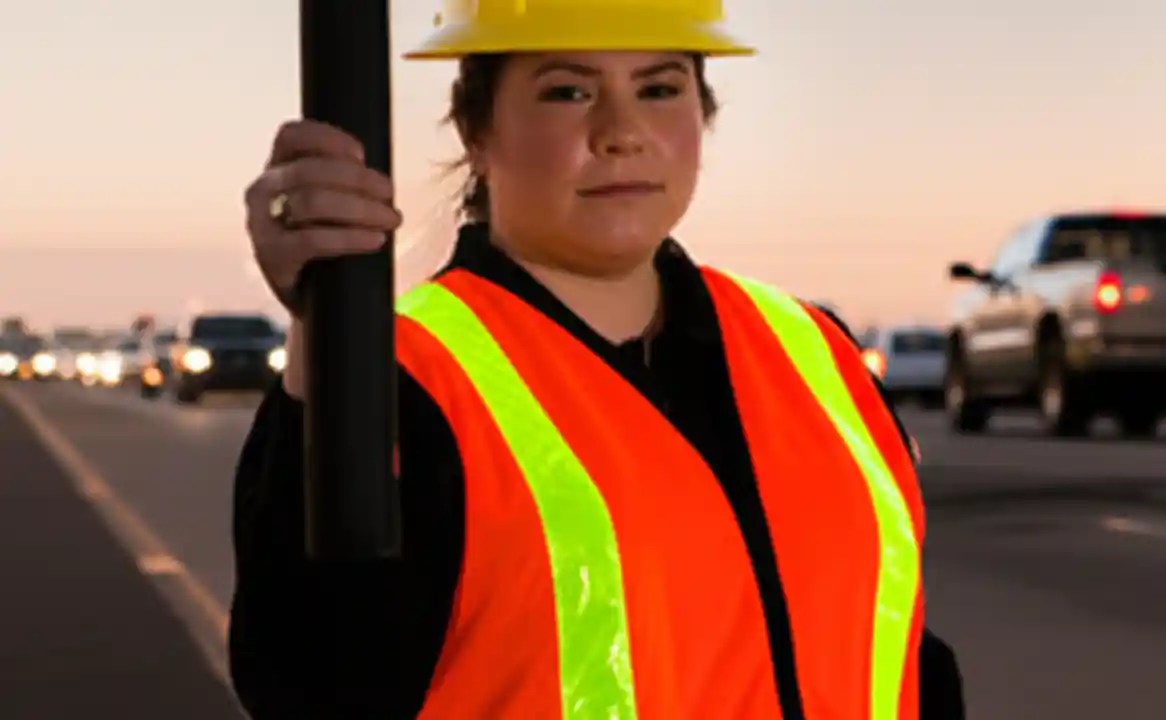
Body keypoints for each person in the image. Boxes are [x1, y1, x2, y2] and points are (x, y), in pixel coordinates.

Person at [231, 0, 965, 718]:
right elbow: (310, 684)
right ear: (475, 129)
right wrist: (324, 336)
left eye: (659, 88)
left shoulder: (814, 351)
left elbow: (903, 660)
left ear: (703, 111)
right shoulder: (410, 378)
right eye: (569, 91)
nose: (622, 132)